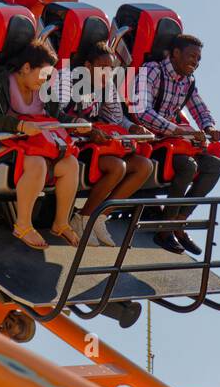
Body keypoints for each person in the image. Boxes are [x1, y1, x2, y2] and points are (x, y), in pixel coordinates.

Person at [0, 41, 83, 250]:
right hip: (6, 141)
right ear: (26, 67)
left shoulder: (43, 88)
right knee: (37, 164)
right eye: (42, 74)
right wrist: (20, 125)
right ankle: (23, 225)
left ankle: (60, 222)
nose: (45, 80)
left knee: (71, 164)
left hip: (39, 143)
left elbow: (56, 116)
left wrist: (75, 123)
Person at [134, 34, 220, 254]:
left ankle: (179, 221)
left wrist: (209, 127)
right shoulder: (153, 71)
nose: (196, 62)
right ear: (175, 53)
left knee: (214, 166)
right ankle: (165, 230)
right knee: (187, 166)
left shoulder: (188, 81)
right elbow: (141, 111)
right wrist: (175, 129)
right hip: (147, 139)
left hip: (173, 142)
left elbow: (200, 108)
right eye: (192, 56)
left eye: (199, 59)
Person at [64, 41, 154, 246]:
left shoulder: (106, 87)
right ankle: (83, 217)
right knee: (117, 167)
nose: (108, 73)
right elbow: (55, 115)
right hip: (74, 143)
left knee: (143, 166)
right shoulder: (70, 82)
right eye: (102, 68)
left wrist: (132, 128)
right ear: (87, 66)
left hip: (95, 144)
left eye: (111, 69)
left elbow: (116, 119)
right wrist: (86, 128)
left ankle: (100, 217)